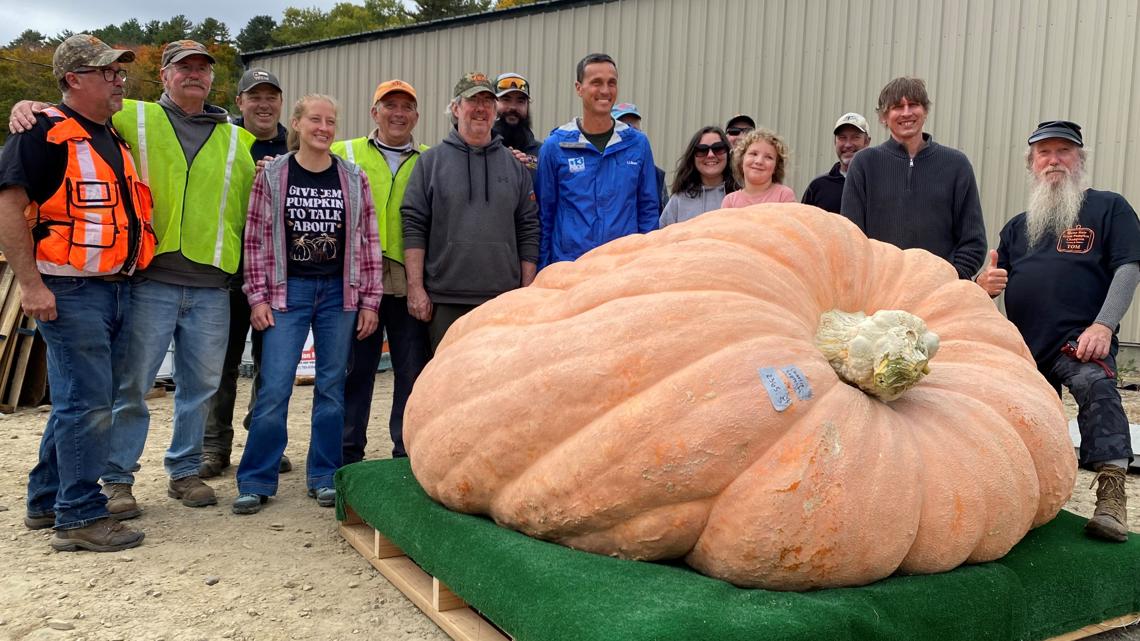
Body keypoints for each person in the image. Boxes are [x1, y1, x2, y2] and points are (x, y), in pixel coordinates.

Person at [10, 40, 258, 514]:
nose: (195, 75)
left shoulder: (237, 140)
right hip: (148, 279)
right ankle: (117, 479)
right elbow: (70, 115)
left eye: (203, 69)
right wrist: (29, 108)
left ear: (212, 79)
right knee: (130, 387)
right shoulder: (133, 117)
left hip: (210, 286)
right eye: (183, 67)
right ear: (163, 75)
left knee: (200, 387)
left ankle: (184, 472)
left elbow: (251, 207)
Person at [0, 34, 150, 551]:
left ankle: (47, 500)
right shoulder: (40, 131)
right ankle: (80, 516)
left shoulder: (113, 135)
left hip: (113, 288)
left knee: (79, 401)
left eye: (119, 72)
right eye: (106, 72)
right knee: (86, 405)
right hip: (69, 289)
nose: (117, 80)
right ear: (72, 80)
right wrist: (30, 283)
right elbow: (9, 206)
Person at [976, 120, 1138, 543]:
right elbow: (994, 280)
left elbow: (1127, 268)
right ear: (1032, 164)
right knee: (1018, 419)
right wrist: (982, 287)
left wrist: (1104, 324)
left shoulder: (1108, 207)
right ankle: (1023, 501)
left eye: (1063, 151)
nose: (1054, 160)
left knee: (1097, 389)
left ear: (1079, 159)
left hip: (1079, 340)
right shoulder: (1017, 227)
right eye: (1044, 153)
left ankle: (1110, 498)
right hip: (1024, 348)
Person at [233, 94, 382, 514]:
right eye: (315, 119)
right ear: (296, 124)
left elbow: (368, 240)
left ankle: (323, 475)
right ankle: (256, 479)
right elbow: (256, 238)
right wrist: (257, 296)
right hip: (287, 292)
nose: (324, 128)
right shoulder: (274, 175)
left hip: (340, 294)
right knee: (275, 386)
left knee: (332, 388)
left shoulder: (353, 178)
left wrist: (369, 301)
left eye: (330, 121)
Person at [402, 72, 540, 353]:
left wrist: (527, 291)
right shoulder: (431, 162)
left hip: (502, 298)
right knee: (447, 384)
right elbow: (414, 225)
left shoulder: (515, 167)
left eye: (487, 101)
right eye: (472, 100)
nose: (480, 108)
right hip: (445, 299)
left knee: (498, 383)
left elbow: (528, 228)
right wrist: (415, 288)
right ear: (456, 108)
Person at [331, 79, 431, 462]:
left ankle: (405, 454)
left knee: (410, 373)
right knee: (356, 372)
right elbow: (304, 163)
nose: (398, 114)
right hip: (359, 280)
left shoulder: (429, 159)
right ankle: (347, 454)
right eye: (390, 106)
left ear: (416, 117)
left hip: (409, 280)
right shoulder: (345, 152)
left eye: (406, 107)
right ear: (375, 113)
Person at [200, 67, 291, 479]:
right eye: (255, 96)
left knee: (272, 365)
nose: (264, 103)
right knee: (222, 363)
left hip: (279, 274)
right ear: (239, 102)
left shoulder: (298, 144)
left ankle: (263, 440)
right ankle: (214, 447)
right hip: (229, 270)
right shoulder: (224, 139)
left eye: (271, 96)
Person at [841, 77, 986, 279]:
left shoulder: (957, 165)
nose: (906, 113)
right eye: (897, 107)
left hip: (941, 293)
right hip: (879, 293)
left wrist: (949, 278)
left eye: (914, 105)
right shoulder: (864, 164)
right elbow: (852, 238)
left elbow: (973, 241)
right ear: (884, 116)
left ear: (925, 111)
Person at [535, 54, 658, 268]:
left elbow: (648, 210)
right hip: (570, 269)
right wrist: (542, 274)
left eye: (612, 83)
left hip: (622, 267)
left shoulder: (637, 144)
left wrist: (645, 265)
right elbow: (545, 216)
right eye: (596, 83)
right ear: (578, 88)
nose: (605, 91)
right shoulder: (556, 147)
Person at [659, 126, 738, 227]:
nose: (710, 155)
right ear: (692, 157)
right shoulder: (678, 200)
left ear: (728, 153)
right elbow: (663, 238)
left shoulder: (740, 197)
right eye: (702, 150)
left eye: (718, 148)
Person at [801, 112, 871, 213]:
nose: (848, 144)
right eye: (842, 138)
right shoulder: (818, 186)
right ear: (835, 142)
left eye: (855, 137)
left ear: (867, 142)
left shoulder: (878, 184)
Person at [611, 102, 668, 212]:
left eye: (634, 130)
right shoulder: (599, 169)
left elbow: (664, 219)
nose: (630, 134)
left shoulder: (655, 175)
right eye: (623, 129)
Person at [721, 128, 796, 208]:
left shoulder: (784, 196)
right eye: (753, 154)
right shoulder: (730, 201)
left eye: (768, 157)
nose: (759, 161)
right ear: (741, 161)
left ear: (776, 167)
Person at [493, 72, 541, 172]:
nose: (513, 107)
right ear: (492, 104)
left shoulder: (542, 152)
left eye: (520, 101)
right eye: (506, 100)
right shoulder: (478, 149)